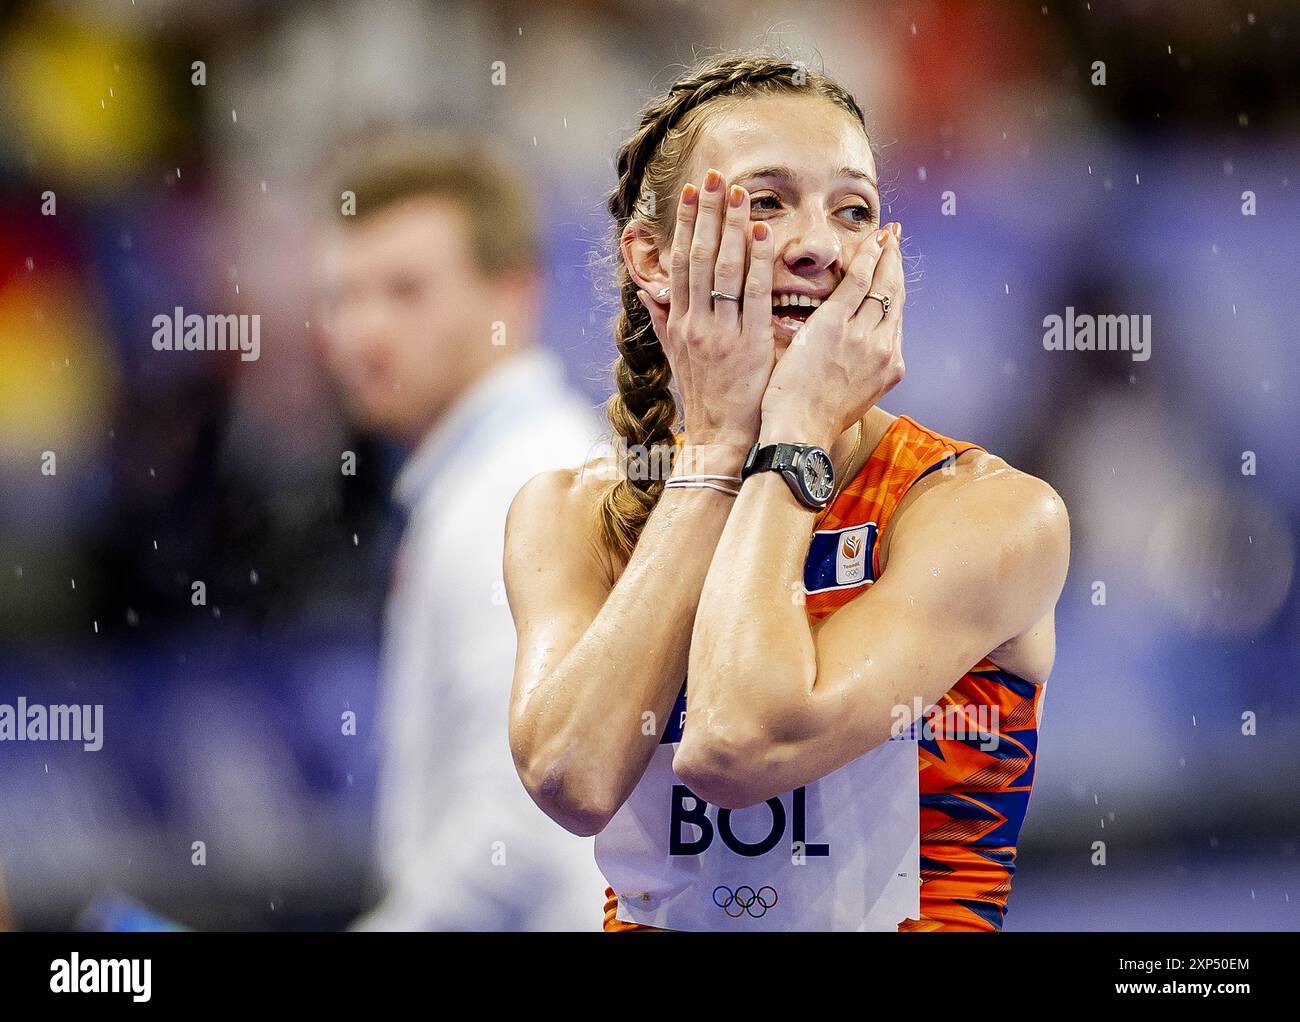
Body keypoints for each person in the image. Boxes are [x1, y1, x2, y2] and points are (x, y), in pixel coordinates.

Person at [504, 54, 1070, 932]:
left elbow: (741, 744)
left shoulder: (985, 514)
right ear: (652, 256)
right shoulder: (569, 515)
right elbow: (573, 781)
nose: (819, 245)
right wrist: (717, 454)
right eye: (766, 203)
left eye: (854, 209)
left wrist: (791, 439)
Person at [316, 136, 608, 930]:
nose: (365, 330)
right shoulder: (497, 477)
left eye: (406, 291)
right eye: (343, 296)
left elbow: (522, 824)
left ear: (513, 295)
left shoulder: (521, 489)